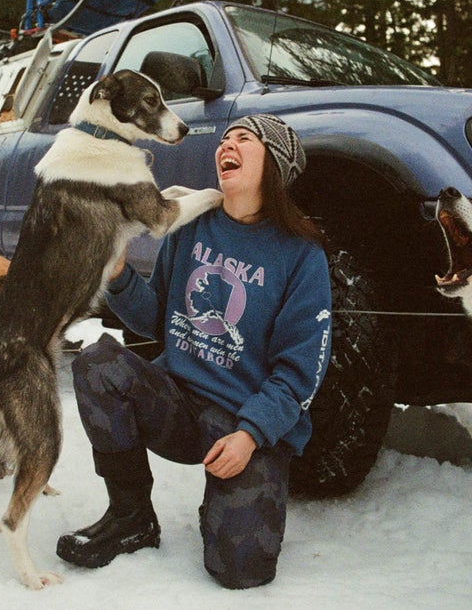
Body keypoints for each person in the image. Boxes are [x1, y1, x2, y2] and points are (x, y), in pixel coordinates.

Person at [56, 113, 333, 589]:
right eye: (225, 138)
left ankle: (227, 506)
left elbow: (300, 371)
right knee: (98, 363)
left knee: (241, 569)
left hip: (245, 423)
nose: (228, 144)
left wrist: (250, 434)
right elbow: (157, 320)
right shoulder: (191, 227)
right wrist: (120, 273)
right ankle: (131, 517)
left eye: (245, 139)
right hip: (179, 403)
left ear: (276, 166)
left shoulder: (301, 256)